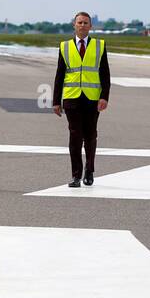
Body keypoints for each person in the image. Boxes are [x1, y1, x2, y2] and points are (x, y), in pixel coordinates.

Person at [52, 11, 110, 187]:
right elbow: (59, 74)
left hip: (92, 99)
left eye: (86, 23)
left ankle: (89, 171)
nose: (82, 25)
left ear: (90, 26)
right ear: (74, 25)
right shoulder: (64, 46)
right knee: (74, 136)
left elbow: (105, 74)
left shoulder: (99, 45)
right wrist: (56, 101)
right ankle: (76, 175)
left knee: (90, 136)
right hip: (71, 98)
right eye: (79, 22)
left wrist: (104, 97)